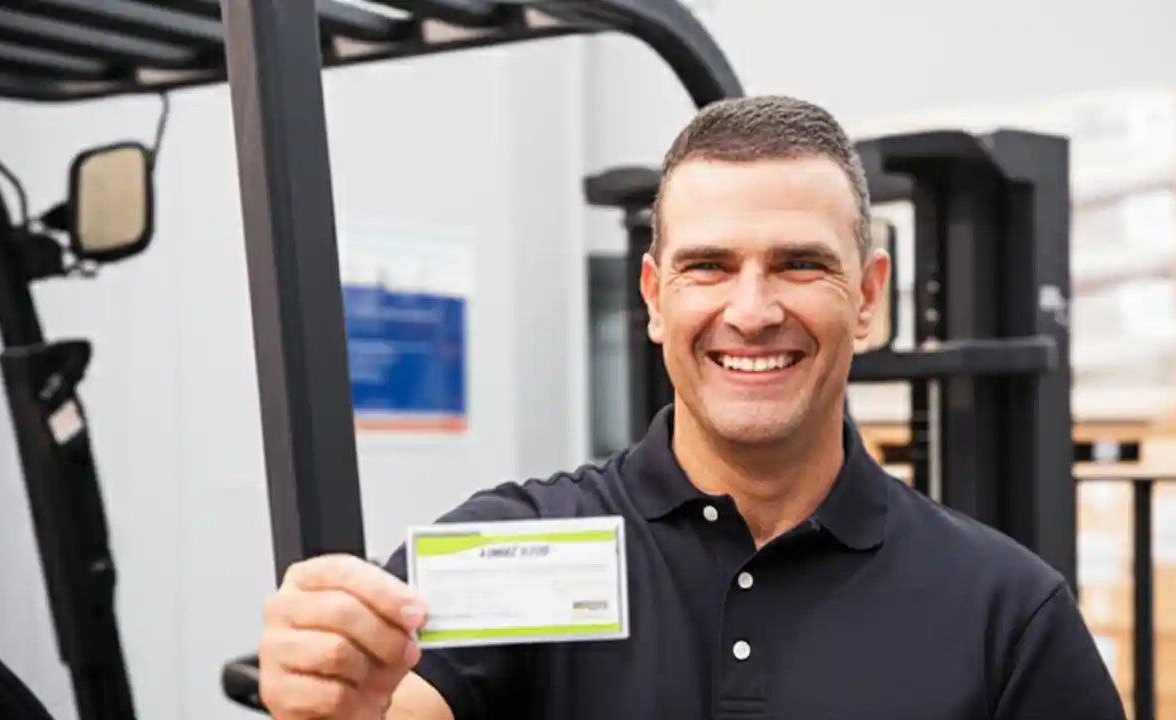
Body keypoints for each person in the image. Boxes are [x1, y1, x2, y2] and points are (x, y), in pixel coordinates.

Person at [256, 95, 1126, 719]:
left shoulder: (1004, 613)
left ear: (867, 297)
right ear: (653, 295)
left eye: (798, 264)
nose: (751, 310)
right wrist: (337, 698)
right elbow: (397, 699)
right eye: (708, 265)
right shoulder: (525, 552)